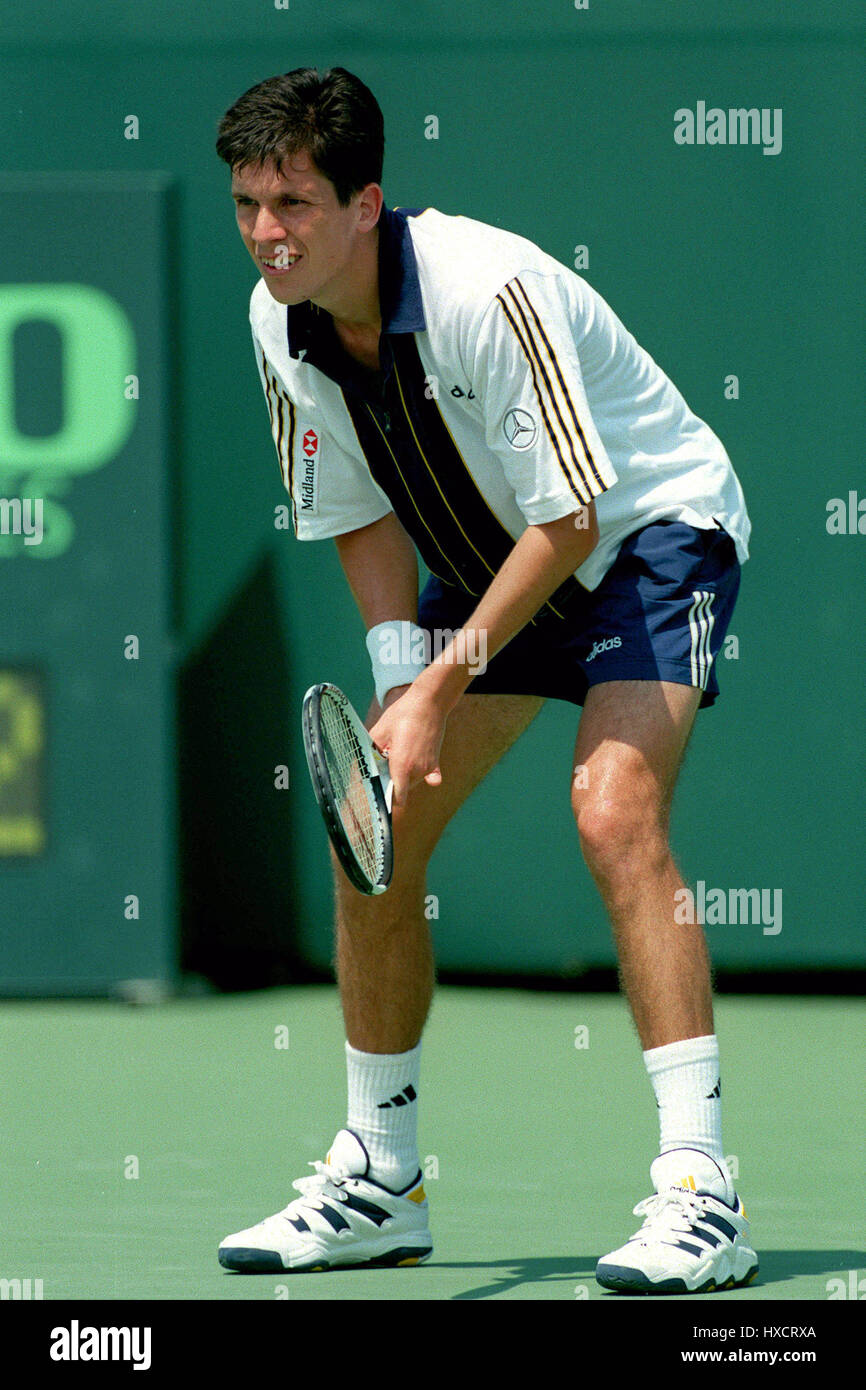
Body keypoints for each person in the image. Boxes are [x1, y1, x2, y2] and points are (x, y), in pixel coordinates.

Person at [214, 65, 758, 1295]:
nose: (264, 233)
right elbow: (353, 510)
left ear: (366, 203)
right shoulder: (276, 321)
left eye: (292, 203)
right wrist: (399, 675)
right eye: (247, 203)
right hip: (491, 549)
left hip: (643, 531)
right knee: (378, 828)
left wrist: (440, 688)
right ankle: (381, 1179)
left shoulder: (484, 290)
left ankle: (700, 1192)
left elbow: (570, 521)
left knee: (612, 809)